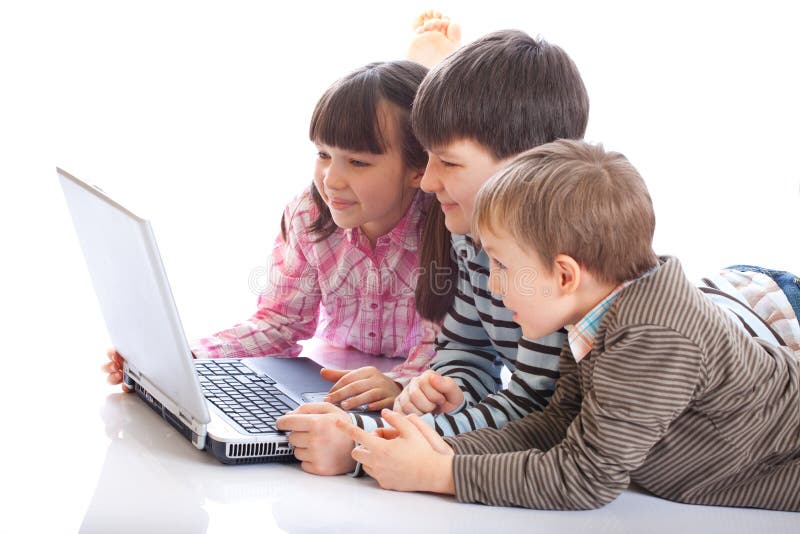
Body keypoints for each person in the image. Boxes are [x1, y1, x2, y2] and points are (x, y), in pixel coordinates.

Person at [337, 139, 800, 512]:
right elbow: (559, 425)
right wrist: (442, 450)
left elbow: (586, 477)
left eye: (502, 265)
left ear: (564, 275)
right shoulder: (595, 316)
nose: (493, 284)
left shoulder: (655, 337)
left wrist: (439, 474)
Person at [276, 29, 590, 474]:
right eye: (427, 159)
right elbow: (467, 351)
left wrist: (363, 441)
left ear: (526, 164)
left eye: (448, 162)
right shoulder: (470, 238)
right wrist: (447, 392)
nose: (426, 181)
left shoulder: (554, 264)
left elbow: (535, 412)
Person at [103, 58, 440, 412]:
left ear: (419, 169)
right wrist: (187, 359)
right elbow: (281, 322)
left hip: (403, 393)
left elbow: (450, 346)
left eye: (358, 162)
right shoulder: (309, 215)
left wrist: (401, 384)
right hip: (336, 374)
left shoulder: (444, 226)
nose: (331, 179)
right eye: (324, 154)